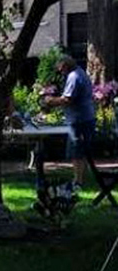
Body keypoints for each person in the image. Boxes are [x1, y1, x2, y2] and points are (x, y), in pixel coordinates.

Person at [44, 55, 95, 188]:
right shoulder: (81, 72)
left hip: (79, 119)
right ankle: (81, 179)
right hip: (87, 117)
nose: (61, 73)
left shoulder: (74, 76)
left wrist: (50, 101)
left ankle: (77, 182)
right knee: (81, 150)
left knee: (76, 151)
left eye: (61, 70)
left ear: (66, 66)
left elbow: (67, 99)